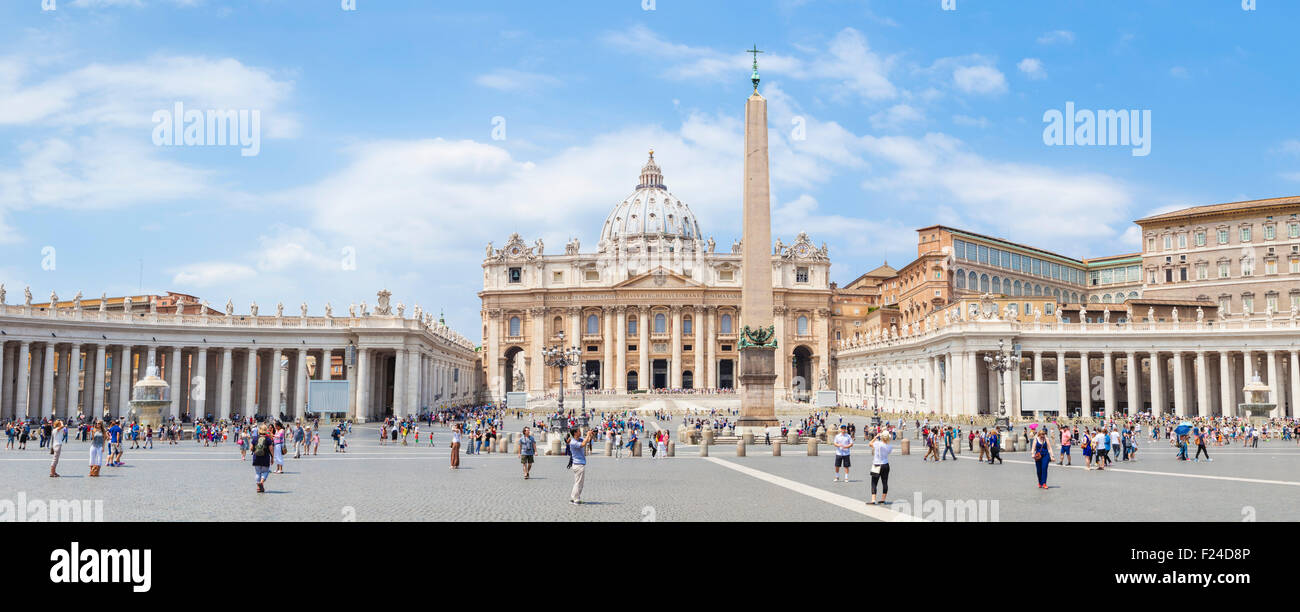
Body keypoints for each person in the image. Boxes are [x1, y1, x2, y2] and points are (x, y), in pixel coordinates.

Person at [568, 427, 598, 505]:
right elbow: (583, 444)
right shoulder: (573, 442)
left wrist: (590, 435)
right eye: (578, 431)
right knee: (579, 483)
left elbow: (587, 441)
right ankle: (576, 499)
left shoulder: (579, 439)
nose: (580, 432)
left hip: (578, 464)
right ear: (575, 433)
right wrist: (588, 435)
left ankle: (573, 498)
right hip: (578, 464)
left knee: (577, 482)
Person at [868, 431, 892, 505]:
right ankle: (883, 499)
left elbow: (870, 443)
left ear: (881, 437)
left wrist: (875, 437)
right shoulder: (890, 446)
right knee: (884, 482)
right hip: (885, 464)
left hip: (877, 464)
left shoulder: (877, 444)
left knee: (874, 482)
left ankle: (873, 500)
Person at [251, 424, 273, 493]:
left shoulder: (255, 438)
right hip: (265, 458)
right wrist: (272, 457)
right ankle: (261, 482)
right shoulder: (268, 439)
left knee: (258, 473)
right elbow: (271, 449)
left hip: (256, 458)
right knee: (265, 471)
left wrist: (255, 451)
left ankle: (258, 487)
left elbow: (251, 448)